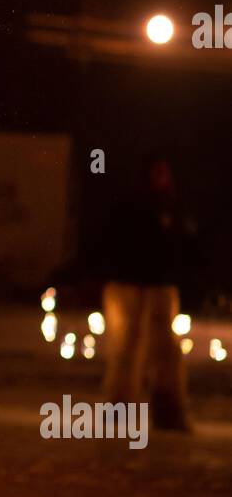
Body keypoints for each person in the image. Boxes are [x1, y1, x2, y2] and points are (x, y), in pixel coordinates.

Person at [98, 154, 200, 431]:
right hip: (128, 284)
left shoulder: (171, 206)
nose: (160, 178)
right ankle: (121, 409)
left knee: (165, 350)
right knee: (126, 349)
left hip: (158, 285)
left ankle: (167, 410)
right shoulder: (131, 205)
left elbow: (183, 245)